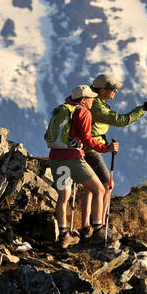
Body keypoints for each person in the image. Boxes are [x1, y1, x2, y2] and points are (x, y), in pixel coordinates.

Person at [45, 85, 119, 247]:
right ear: (84, 99)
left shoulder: (62, 110)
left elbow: (47, 135)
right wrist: (106, 148)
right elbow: (87, 139)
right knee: (99, 189)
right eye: (91, 98)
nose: (93, 100)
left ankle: (64, 234)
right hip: (73, 158)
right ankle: (99, 229)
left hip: (55, 158)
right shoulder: (83, 112)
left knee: (63, 196)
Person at [85, 73, 147, 221]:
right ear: (102, 90)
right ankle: (98, 224)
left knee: (90, 188)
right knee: (107, 185)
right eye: (113, 88)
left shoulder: (93, 100)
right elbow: (121, 121)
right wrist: (143, 109)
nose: (116, 91)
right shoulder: (96, 106)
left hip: (88, 147)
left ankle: (87, 225)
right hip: (90, 149)